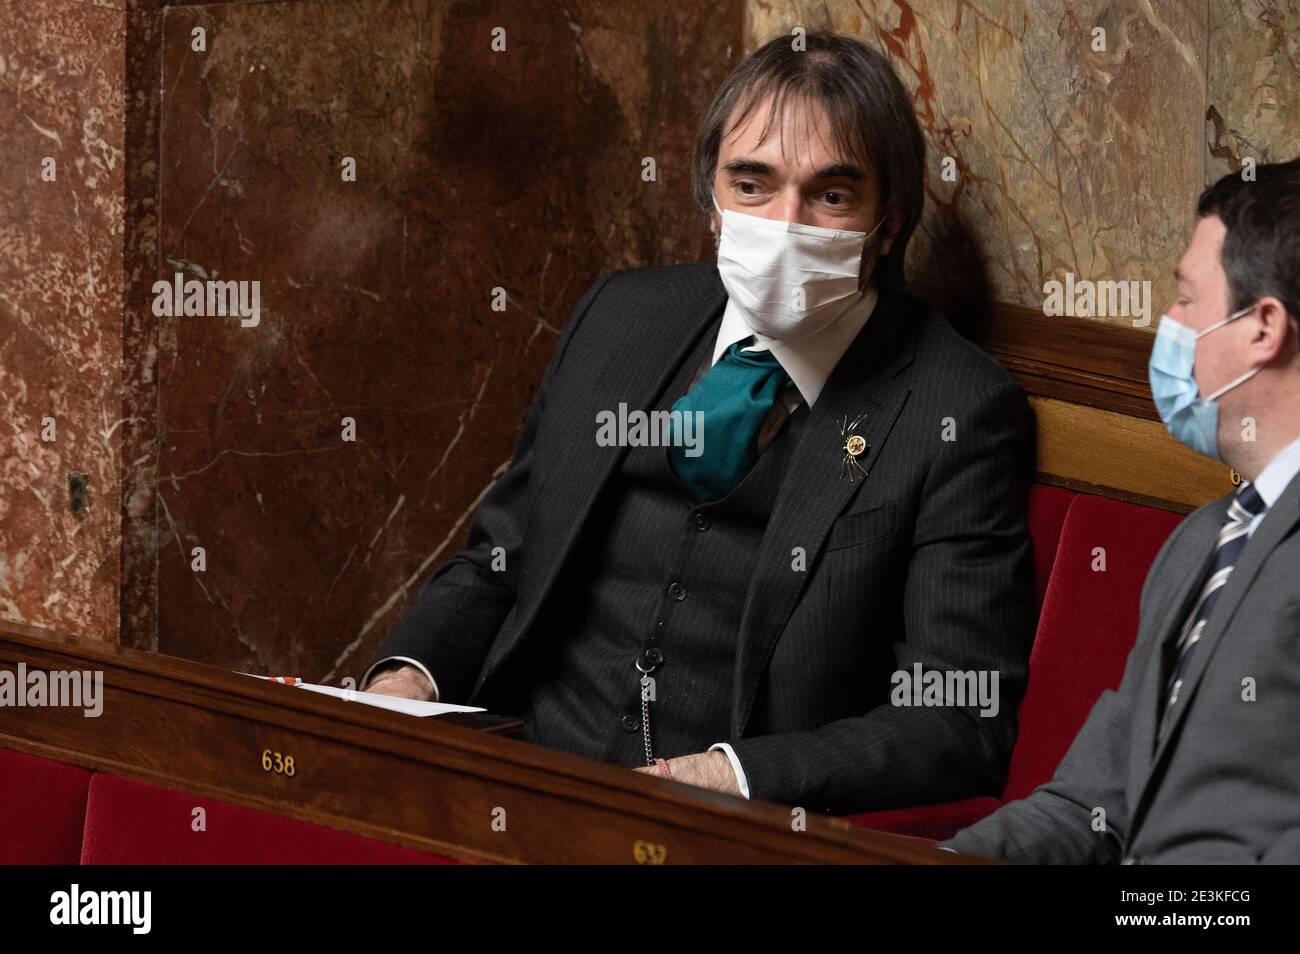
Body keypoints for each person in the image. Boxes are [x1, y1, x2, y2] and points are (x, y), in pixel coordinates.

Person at [362, 32, 1035, 814]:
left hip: (724, 830)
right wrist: (407, 677)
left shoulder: (957, 408)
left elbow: (957, 719)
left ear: (890, 218)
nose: (785, 224)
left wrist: (729, 779)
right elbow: (499, 558)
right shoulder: (620, 318)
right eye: (752, 185)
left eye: (831, 195)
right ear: (710, 201)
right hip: (519, 781)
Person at [942, 158, 1300, 862]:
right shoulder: (1204, 541)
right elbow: (1088, 806)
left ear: (1263, 327)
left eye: (1187, 299)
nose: (1167, 325)